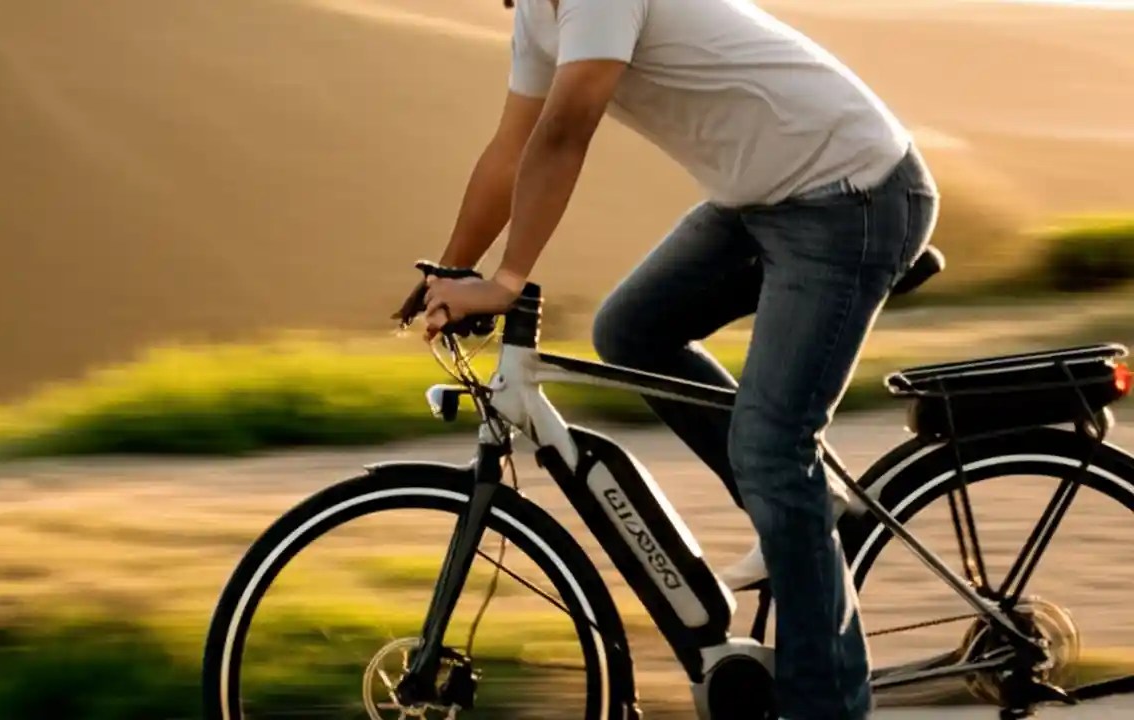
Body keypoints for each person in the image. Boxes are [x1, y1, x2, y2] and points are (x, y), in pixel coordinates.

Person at [400, 0, 939, 717]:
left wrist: (504, 280)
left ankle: (827, 703)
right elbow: (511, 148)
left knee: (774, 450)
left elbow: (565, 132)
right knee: (631, 332)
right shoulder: (539, 13)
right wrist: (451, 270)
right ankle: (805, 523)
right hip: (763, 202)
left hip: (852, 194)